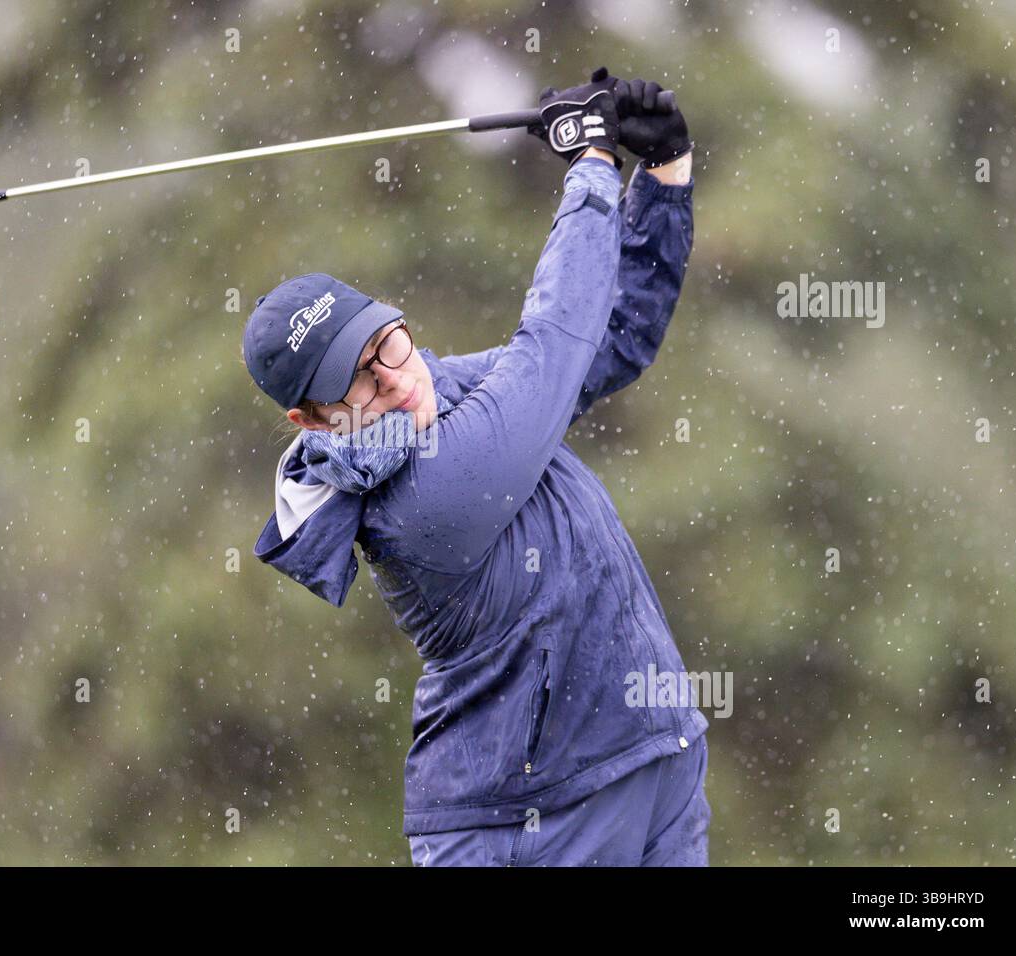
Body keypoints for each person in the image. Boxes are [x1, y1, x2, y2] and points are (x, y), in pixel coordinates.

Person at [242, 68, 707, 866]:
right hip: (532, 824)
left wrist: (662, 175)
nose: (394, 376)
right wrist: (591, 164)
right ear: (311, 419)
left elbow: (610, 337)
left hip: (651, 763)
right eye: (354, 380)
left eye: (385, 341)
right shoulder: (414, 501)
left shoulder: (448, 387)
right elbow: (553, 343)